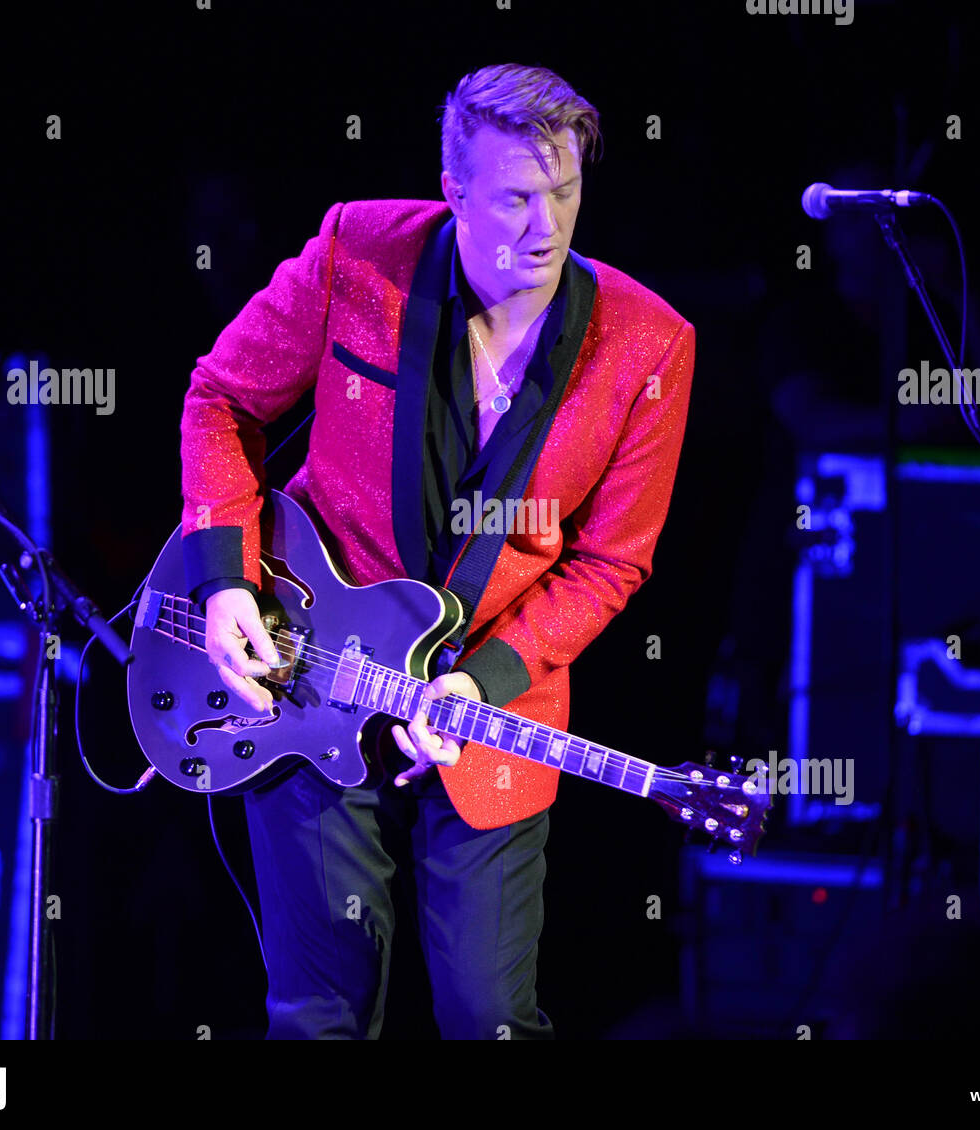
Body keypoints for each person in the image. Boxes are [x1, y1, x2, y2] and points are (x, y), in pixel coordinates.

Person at [179, 63, 695, 1039]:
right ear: (452, 190)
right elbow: (221, 398)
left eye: (565, 190)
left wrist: (485, 680)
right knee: (315, 1013)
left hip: (493, 707)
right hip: (308, 667)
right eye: (513, 198)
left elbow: (613, 561)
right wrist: (222, 586)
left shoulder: (649, 344)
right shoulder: (359, 251)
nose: (545, 225)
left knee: (487, 1014)